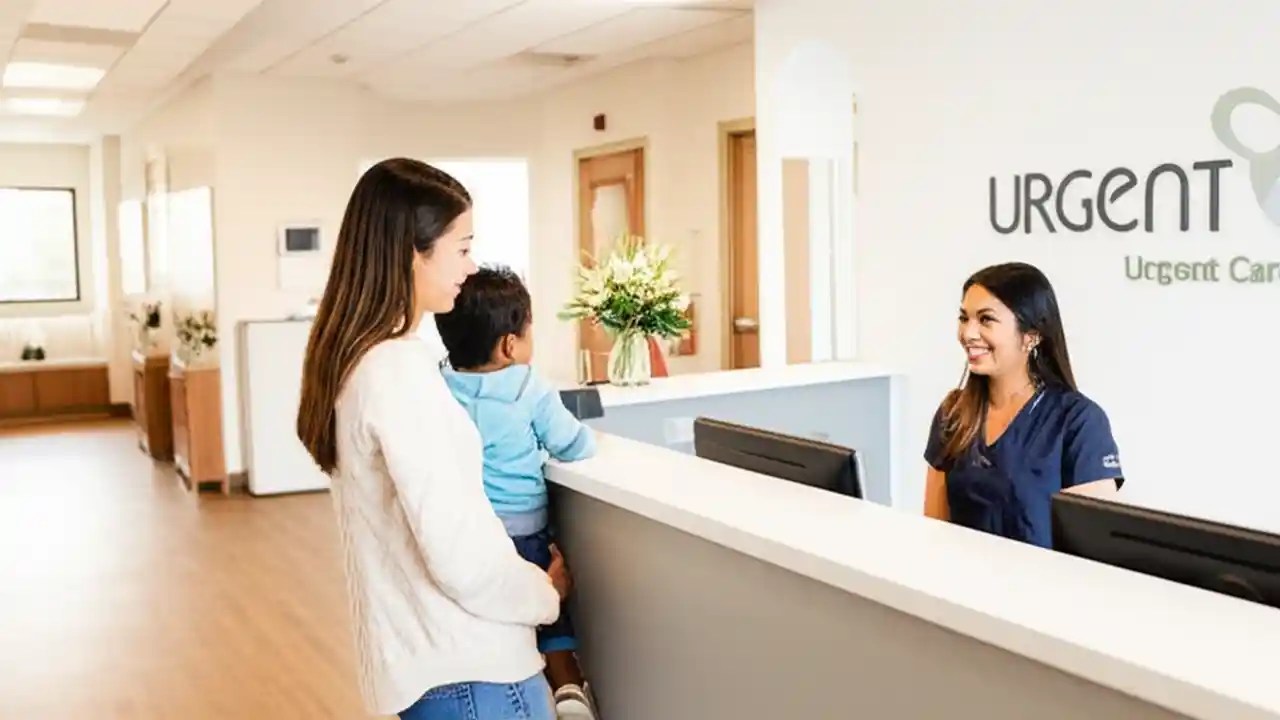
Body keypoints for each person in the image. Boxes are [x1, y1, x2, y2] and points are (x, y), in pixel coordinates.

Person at [296, 158, 569, 720]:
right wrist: (545, 595)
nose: (469, 268)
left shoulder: (360, 362)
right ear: (410, 253)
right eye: (462, 248)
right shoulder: (397, 371)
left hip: (431, 671)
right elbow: (461, 553)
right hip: (474, 673)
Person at [434, 266, 598, 720]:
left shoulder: (439, 387)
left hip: (474, 535)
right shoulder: (529, 387)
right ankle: (566, 686)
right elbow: (573, 443)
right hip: (526, 529)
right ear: (510, 344)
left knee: (504, 615)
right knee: (551, 611)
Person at [922, 262, 1124, 548]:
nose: (968, 333)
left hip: (1042, 589)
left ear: (1031, 336)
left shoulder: (1079, 422)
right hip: (959, 587)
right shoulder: (953, 414)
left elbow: (1094, 552)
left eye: (986, 319)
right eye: (964, 318)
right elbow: (935, 531)